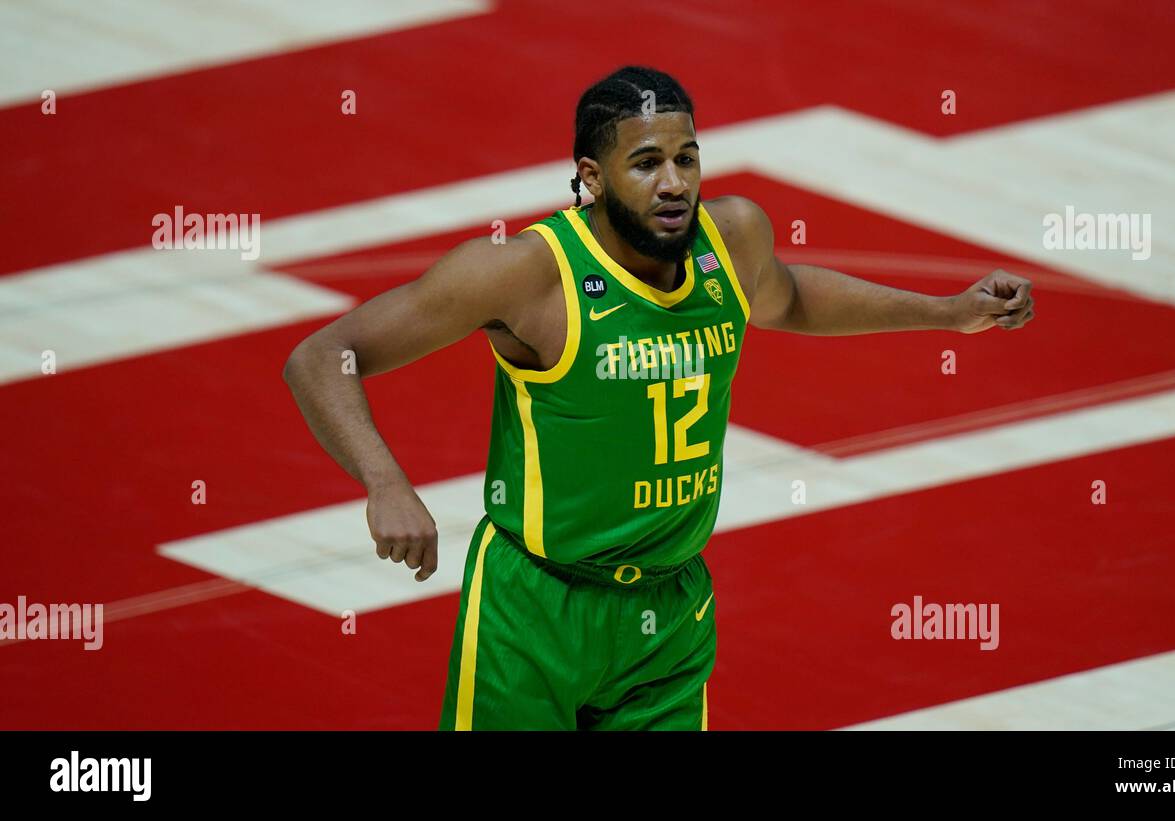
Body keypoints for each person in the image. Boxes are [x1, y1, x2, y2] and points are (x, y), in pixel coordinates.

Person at [282, 65, 1034, 731]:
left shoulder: (731, 239)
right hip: (536, 606)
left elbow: (792, 297)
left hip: (671, 611)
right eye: (645, 163)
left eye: (685, 158)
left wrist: (944, 312)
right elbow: (323, 356)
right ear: (592, 176)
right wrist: (385, 482)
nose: (674, 182)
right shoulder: (524, 274)